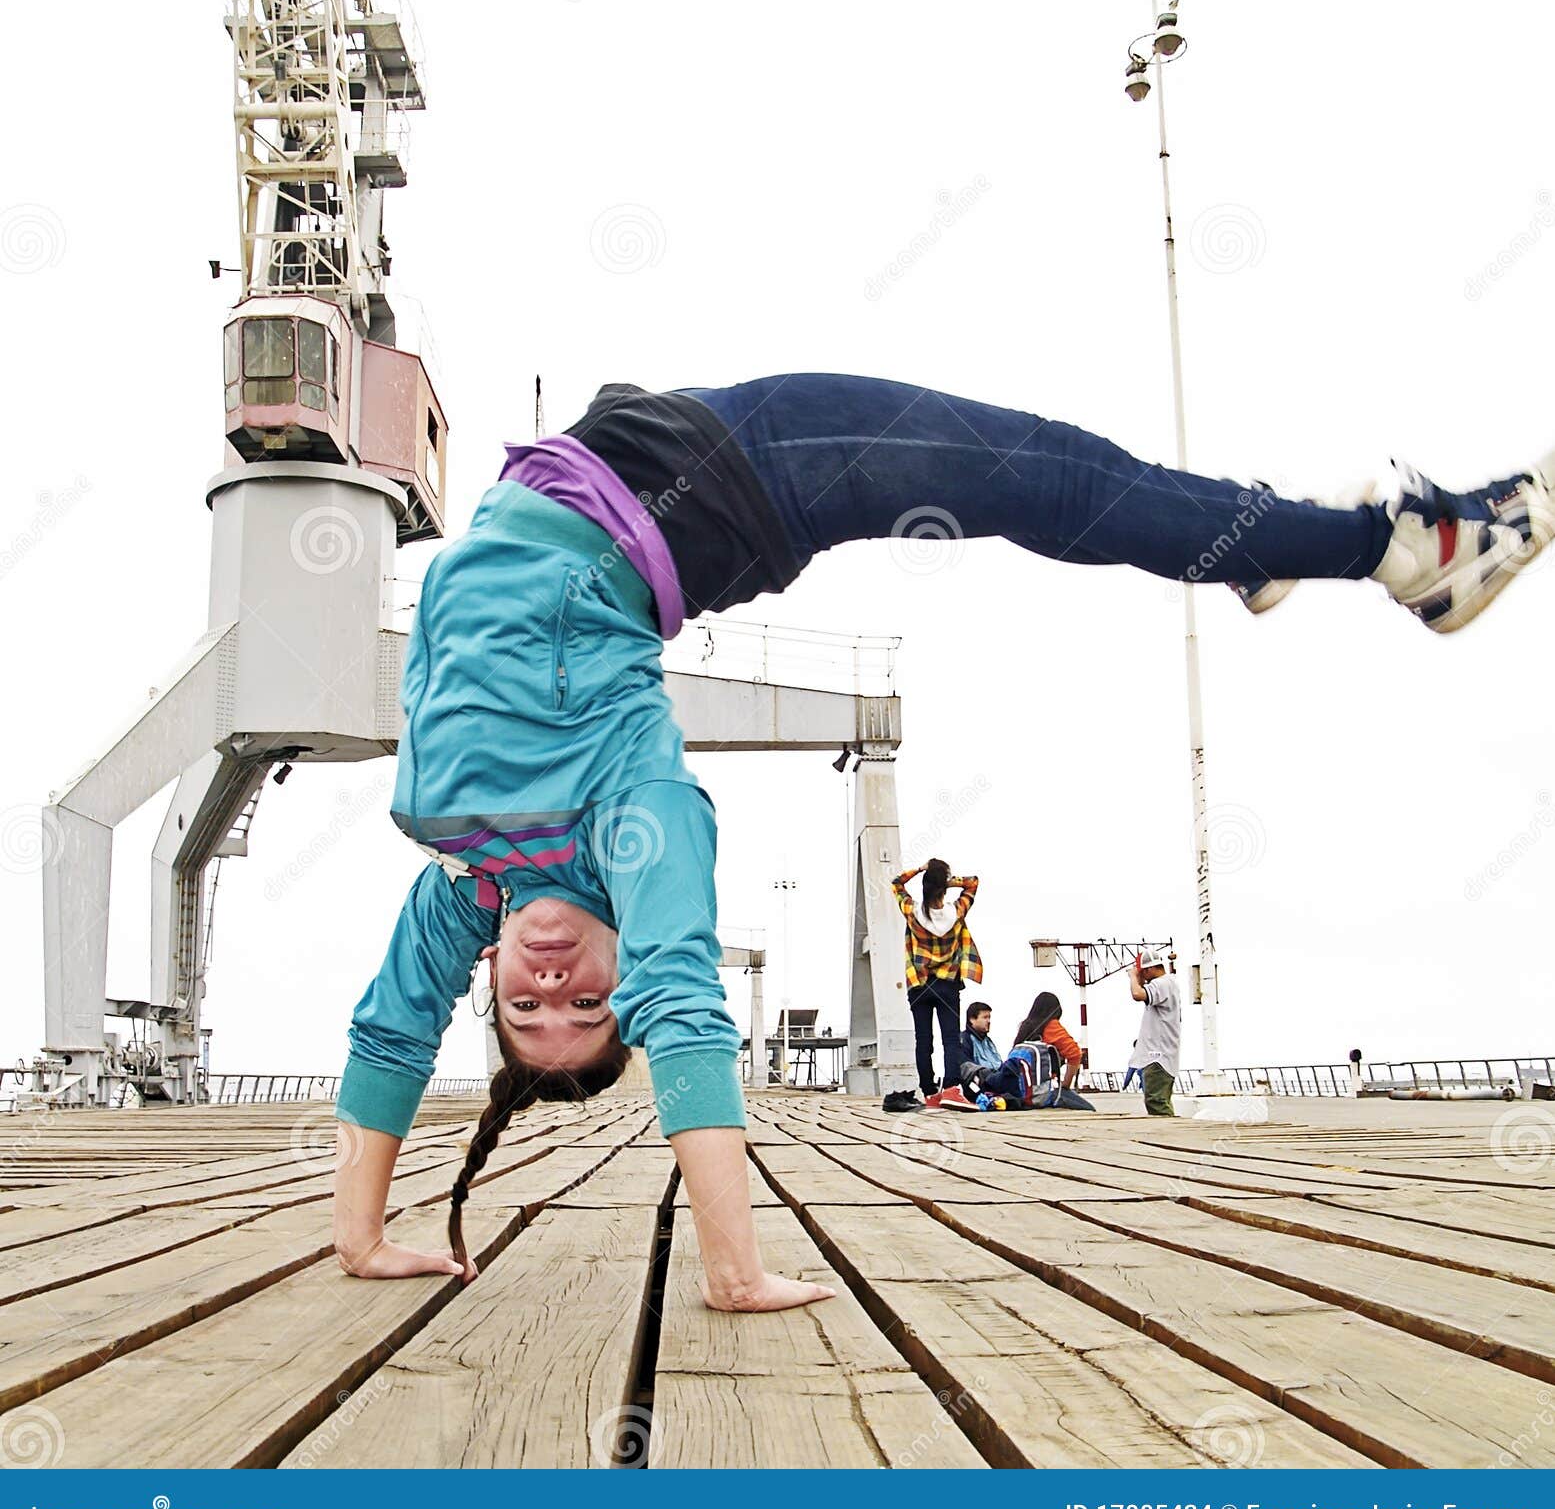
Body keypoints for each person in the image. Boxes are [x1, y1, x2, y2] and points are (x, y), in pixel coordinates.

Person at [330, 374, 1554, 1307]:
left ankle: (1241, 539)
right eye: (585, 1011)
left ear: (487, 978)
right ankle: (1403, 552)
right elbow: (687, 1009)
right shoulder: (636, 820)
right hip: (711, 483)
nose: (551, 992)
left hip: (613, 468)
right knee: (1041, 474)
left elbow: (389, 1027)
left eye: (523, 1013)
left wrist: (363, 1235)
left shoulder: (463, 880)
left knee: (1044, 477)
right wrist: (732, 1270)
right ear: (620, 989)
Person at [892, 858, 981, 1108]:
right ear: (943, 886)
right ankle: (952, 1089)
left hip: (919, 984)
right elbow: (973, 883)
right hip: (948, 984)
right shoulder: (956, 911)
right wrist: (950, 883)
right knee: (950, 1040)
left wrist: (919, 870)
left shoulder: (912, 911)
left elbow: (896, 883)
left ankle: (930, 1094)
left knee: (924, 1040)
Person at [1012, 992, 1095, 1111]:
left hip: (1021, 1091)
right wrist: (1066, 1084)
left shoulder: (1025, 1027)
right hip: (1045, 1091)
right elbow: (1075, 1053)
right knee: (1089, 1109)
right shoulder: (1050, 1025)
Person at [1127, 951, 1181, 1116]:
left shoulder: (1162, 984)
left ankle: (1169, 1133)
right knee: (1159, 1100)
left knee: (1156, 1101)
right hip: (1161, 1055)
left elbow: (1137, 994)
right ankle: (1170, 1130)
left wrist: (1133, 977)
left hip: (1158, 1057)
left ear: (1148, 970)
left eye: (1142, 973)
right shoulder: (1168, 984)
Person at [961, 1000, 1003, 1074]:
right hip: (982, 1080)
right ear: (972, 1020)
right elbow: (967, 1067)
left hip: (998, 1078)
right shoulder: (965, 1039)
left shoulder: (988, 1042)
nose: (988, 1021)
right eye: (985, 1017)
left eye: (989, 1017)